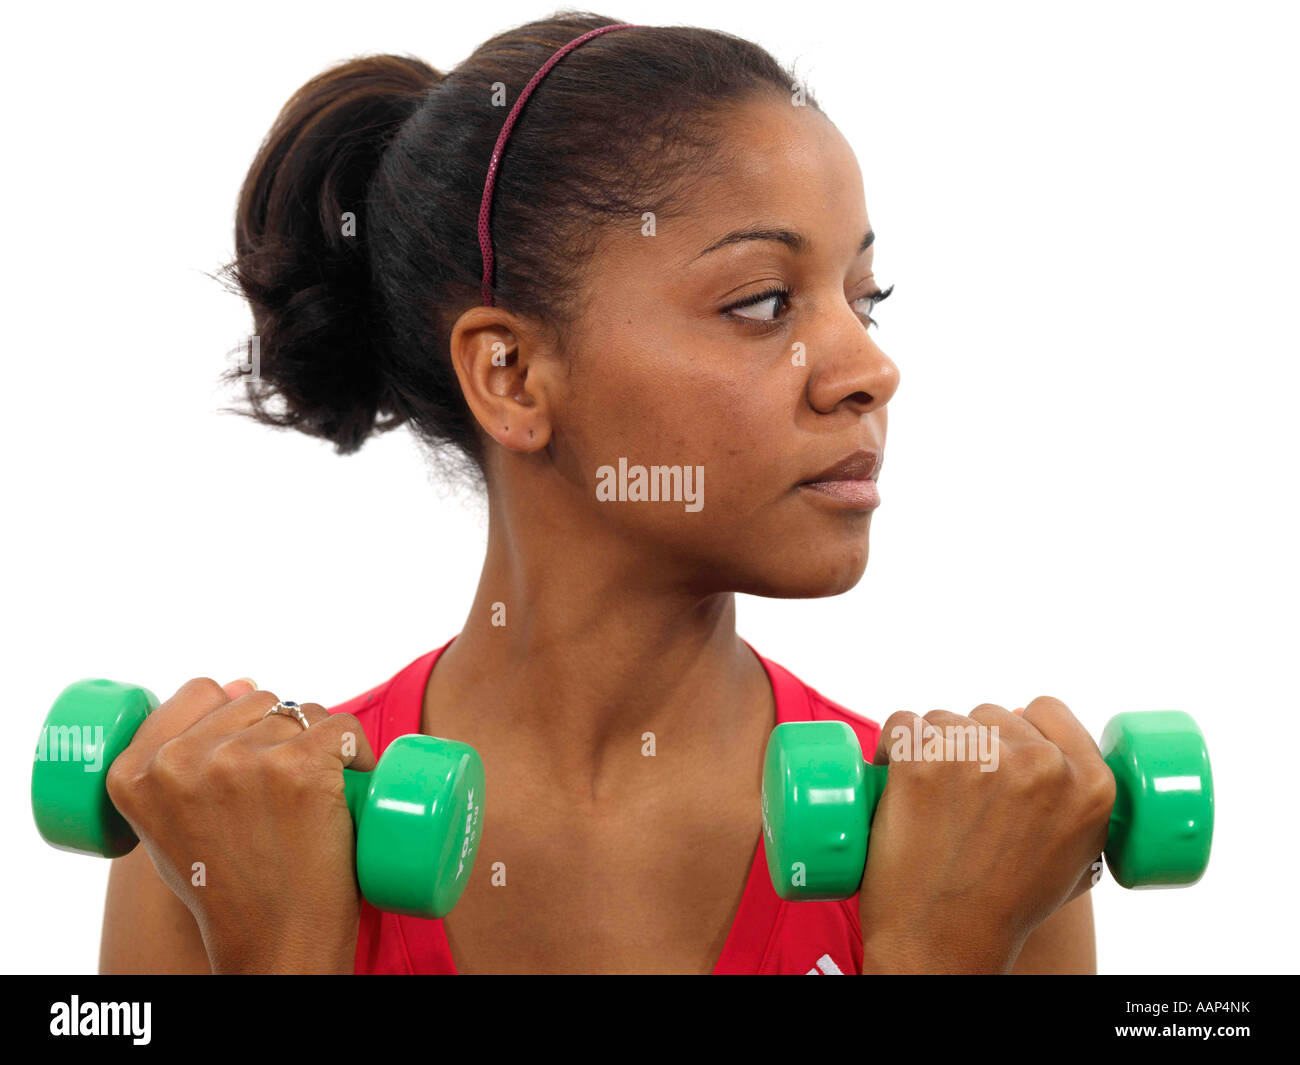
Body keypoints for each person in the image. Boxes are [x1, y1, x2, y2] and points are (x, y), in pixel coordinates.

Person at [99, 12, 1114, 974]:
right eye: (763, 302)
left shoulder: (999, 843)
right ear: (510, 375)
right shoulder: (209, 838)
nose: (867, 371)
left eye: (865, 300)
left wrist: (938, 953)